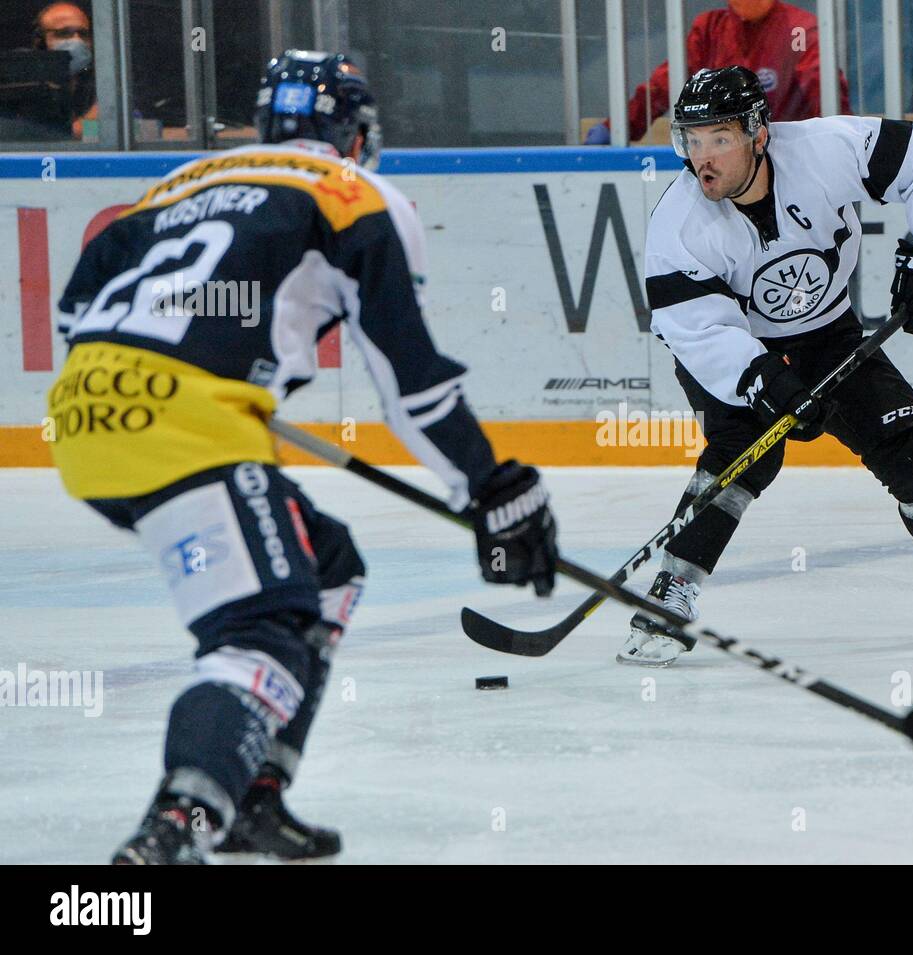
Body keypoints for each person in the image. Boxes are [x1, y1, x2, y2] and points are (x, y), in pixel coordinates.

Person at [47, 50, 559, 863]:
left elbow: (77, 313)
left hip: (83, 416)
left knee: (327, 567)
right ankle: (178, 826)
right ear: (353, 135)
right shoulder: (354, 194)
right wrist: (491, 485)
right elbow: (412, 385)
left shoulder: (176, 184)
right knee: (262, 628)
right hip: (187, 424)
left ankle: (257, 792)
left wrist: (205, 372)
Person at [619, 66, 913, 667]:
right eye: (691, 141)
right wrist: (762, 379)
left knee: (910, 448)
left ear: (758, 133)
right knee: (743, 453)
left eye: (718, 138)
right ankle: (672, 588)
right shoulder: (679, 223)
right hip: (736, 349)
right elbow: (696, 329)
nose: (703, 158)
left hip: (829, 334)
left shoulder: (822, 150)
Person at [586, 0, 849, 144]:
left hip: (785, 159)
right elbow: (665, 85)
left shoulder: (798, 30)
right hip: (723, 161)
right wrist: (618, 127)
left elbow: (823, 88)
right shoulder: (711, 30)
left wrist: (841, 140)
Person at [32, 2, 97, 138]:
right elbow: (34, 137)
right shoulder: (23, 81)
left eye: (83, 33)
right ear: (41, 42)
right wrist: (87, 126)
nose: (77, 40)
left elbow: (112, 132)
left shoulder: (103, 83)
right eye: (64, 33)